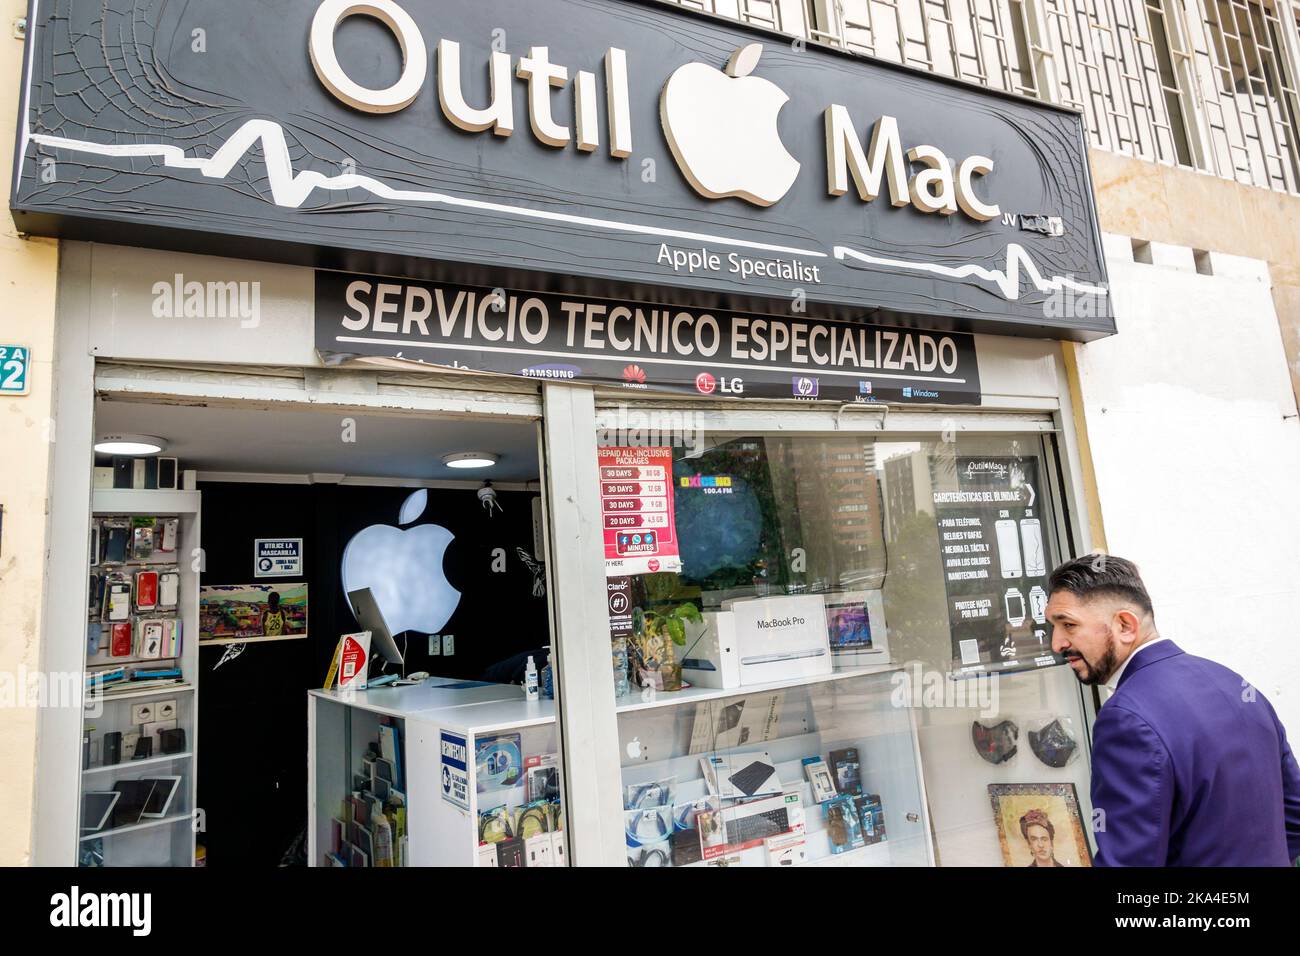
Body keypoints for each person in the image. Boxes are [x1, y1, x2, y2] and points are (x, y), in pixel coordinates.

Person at [1045, 554, 1300, 866]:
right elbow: (1295, 818)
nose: (1056, 643)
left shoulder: (1125, 719)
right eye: (1054, 627)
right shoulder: (1235, 684)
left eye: (1069, 625)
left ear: (1125, 625)